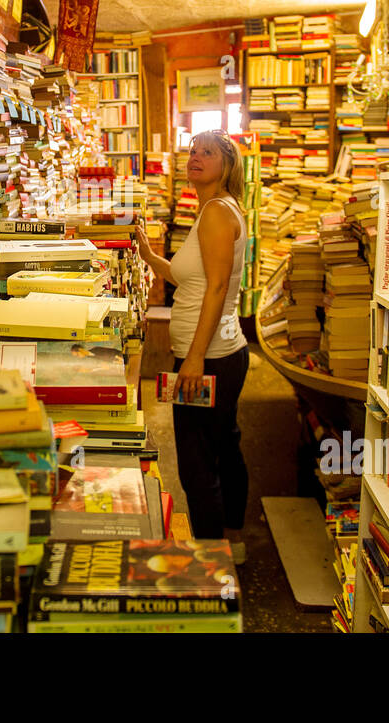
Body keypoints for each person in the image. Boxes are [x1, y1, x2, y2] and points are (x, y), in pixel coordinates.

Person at [135, 130, 250, 560]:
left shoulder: (217, 213)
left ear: (228, 165)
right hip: (219, 354)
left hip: (211, 358)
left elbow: (217, 288)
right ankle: (231, 538)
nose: (196, 157)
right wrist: (149, 256)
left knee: (198, 461)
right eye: (193, 151)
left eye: (208, 153)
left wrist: (195, 357)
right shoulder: (212, 211)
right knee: (222, 444)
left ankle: (211, 554)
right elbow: (193, 279)